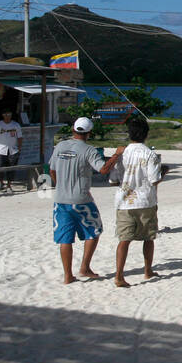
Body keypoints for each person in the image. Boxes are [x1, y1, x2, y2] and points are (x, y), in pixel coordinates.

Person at [49, 117, 123, 284]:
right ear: (89, 133)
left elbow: (52, 169)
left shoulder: (60, 146)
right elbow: (103, 169)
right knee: (94, 230)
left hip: (60, 200)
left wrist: (60, 185)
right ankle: (85, 267)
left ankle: (67, 275)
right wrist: (116, 155)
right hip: (81, 199)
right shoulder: (89, 150)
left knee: (65, 238)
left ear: (73, 129)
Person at [109, 115, 164, 287]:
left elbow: (113, 180)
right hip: (145, 200)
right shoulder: (150, 154)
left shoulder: (121, 154)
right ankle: (147, 270)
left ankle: (119, 275)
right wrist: (165, 173)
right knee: (149, 237)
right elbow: (154, 179)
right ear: (146, 134)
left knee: (124, 239)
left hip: (124, 201)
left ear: (129, 134)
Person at [0, 107, 22, 191]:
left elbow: (20, 137)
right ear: (2, 115)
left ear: (11, 115)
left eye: (9, 114)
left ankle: (9, 185)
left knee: (11, 167)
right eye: (5, 114)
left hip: (13, 149)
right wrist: (1, 142)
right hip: (0, 149)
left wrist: (19, 147)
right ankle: (0, 181)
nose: (7, 116)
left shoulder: (15, 125)